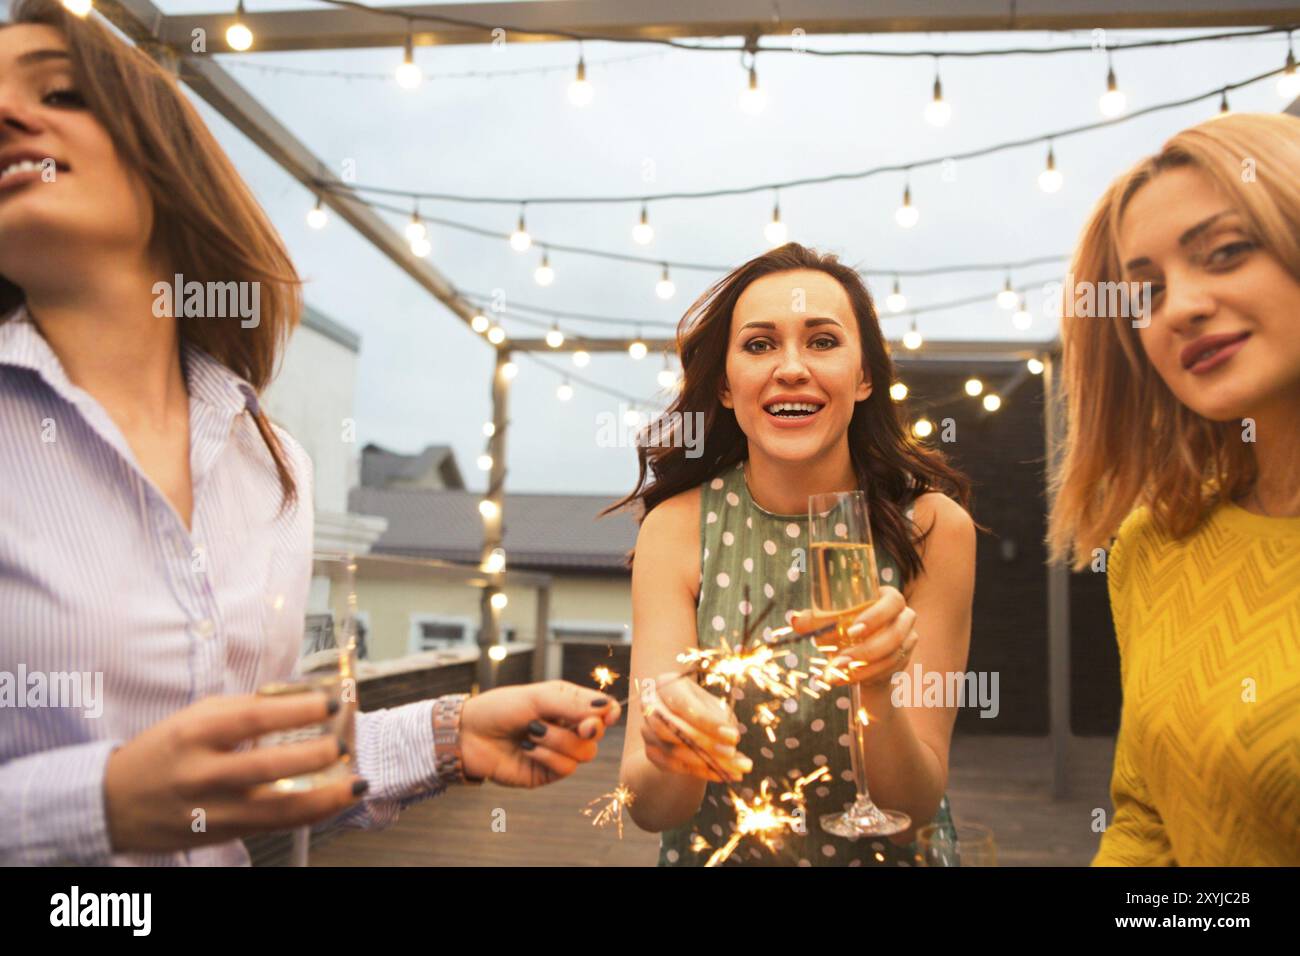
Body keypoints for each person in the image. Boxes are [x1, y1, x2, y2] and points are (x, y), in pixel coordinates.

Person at [0, 0, 619, 866]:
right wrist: (97, 805)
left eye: (59, 91)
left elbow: (255, 774)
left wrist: (450, 734)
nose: (7, 110)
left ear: (165, 162)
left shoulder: (270, 461)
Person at [609, 242, 976, 865]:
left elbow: (912, 808)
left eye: (823, 341)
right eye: (759, 345)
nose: (791, 368)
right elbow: (649, 808)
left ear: (865, 377)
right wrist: (677, 749)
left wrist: (877, 690)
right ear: (726, 387)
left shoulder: (935, 526)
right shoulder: (674, 529)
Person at [1047, 113, 1300, 865]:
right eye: (1145, 293)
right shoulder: (1156, 544)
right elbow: (1147, 823)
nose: (1180, 308)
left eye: (1225, 253)